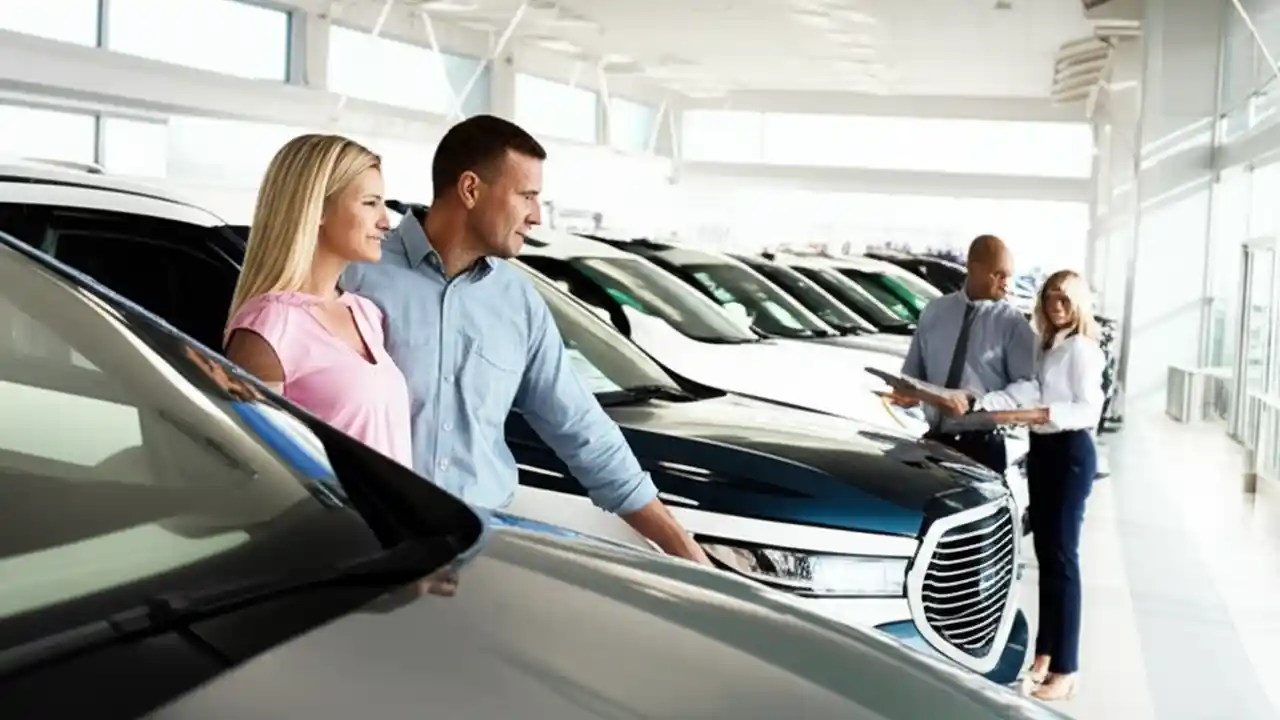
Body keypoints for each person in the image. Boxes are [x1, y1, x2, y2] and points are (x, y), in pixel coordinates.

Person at [340, 115, 710, 566]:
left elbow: (582, 430)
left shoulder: (519, 303)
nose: (536, 216)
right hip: (367, 551)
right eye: (527, 196)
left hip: (480, 557)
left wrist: (684, 549)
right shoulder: (357, 274)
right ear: (471, 190)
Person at [922, 270, 1103, 702]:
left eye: (1064, 299)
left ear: (1077, 304)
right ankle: (1044, 654)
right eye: (1049, 298)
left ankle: (1067, 667)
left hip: (1069, 454)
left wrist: (1040, 415)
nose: (1055, 306)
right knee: (1046, 556)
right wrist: (977, 401)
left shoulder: (1081, 349)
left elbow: (1086, 410)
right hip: (1044, 454)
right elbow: (1024, 391)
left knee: (1063, 560)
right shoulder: (1047, 345)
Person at [224, 133, 412, 468]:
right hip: (333, 522)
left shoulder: (365, 314)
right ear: (318, 209)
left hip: (392, 520)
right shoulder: (269, 327)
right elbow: (254, 467)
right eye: (370, 203)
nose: (385, 221)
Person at [896, 234, 1038, 474]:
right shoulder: (935, 312)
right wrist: (906, 393)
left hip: (983, 446)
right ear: (974, 268)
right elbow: (913, 374)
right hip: (935, 443)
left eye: (1009, 276)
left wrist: (978, 404)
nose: (1006, 283)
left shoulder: (1013, 324)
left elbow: (1029, 387)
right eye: (999, 274)